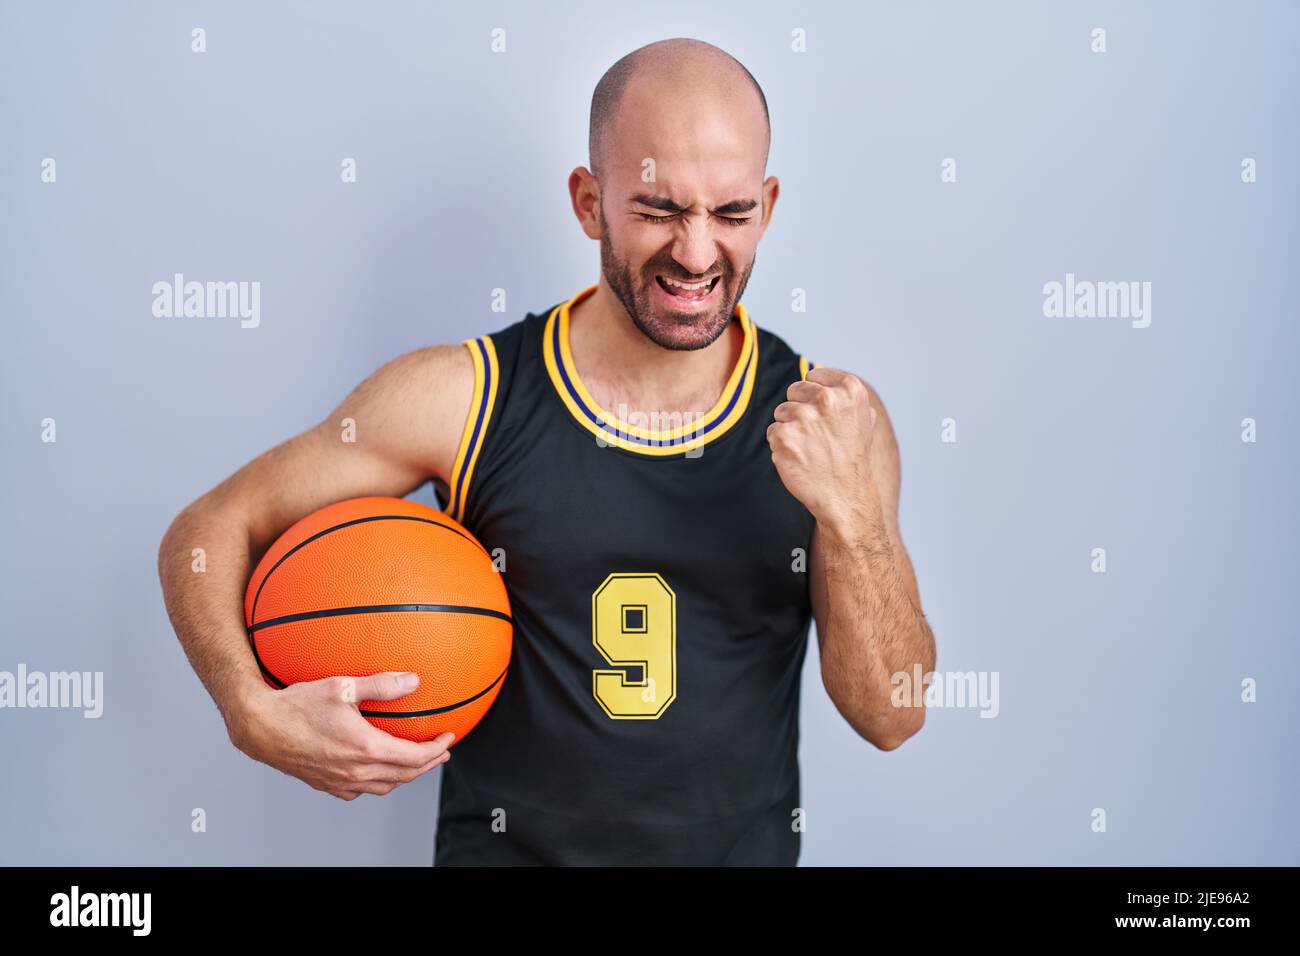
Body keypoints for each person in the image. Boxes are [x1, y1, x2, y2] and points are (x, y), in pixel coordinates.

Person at [158, 37, 936, 866]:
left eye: (732, 213)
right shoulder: (465, 396)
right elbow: (205, 531)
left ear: (769, 205)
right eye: (659, 209)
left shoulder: (830, 423)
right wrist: (247, 705)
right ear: (589, 202)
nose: (699, 252)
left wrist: (855, 520)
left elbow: (892, 714)